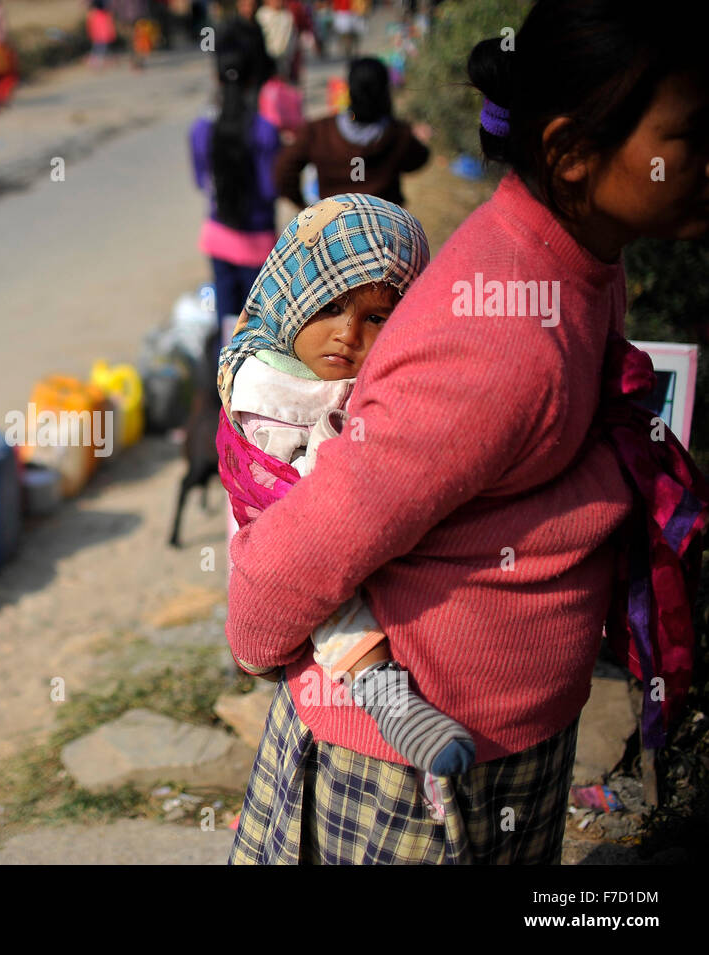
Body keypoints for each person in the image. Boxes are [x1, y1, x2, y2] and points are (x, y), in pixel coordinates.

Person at [227, 0, 709, 865]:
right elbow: (289, 561)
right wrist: (264, 640)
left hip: (495, 734)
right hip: (408, 771)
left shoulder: (576, 267)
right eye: (691, 135)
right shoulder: (497, 335)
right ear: (570, 156)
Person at [217, 194, 477, 780]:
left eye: (379, 317)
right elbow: (304, 515)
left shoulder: (372, 377)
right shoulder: (267, 384)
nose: (347, 335)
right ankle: (386, 696)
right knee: (336, 603)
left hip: (326, 540)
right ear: (293, 292)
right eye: (329, 305)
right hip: (286, 547)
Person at [188, 25, 279, 366]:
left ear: (216, 78)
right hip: (258, 245)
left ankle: (224, 388)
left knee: (228, 319)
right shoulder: (265, 132)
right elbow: (270, 189)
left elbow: (201, 183)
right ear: (254, 80)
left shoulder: (200, 130)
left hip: (217, 238)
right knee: (257, 328)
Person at [276, 57, 428, 207]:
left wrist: (305, 207)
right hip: (383, 225)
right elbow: (417, 160)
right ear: (385, 92)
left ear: (349, 89)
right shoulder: (398, 134)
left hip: (335, 225)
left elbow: (284, 171)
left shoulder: (318, 131)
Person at [87, 0, 117, 69]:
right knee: (100, 47)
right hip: (100, 34)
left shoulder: (94, 14)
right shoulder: (102, 14)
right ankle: (97, 62)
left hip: (100, 35)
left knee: (100, 47)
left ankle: (97, 61)